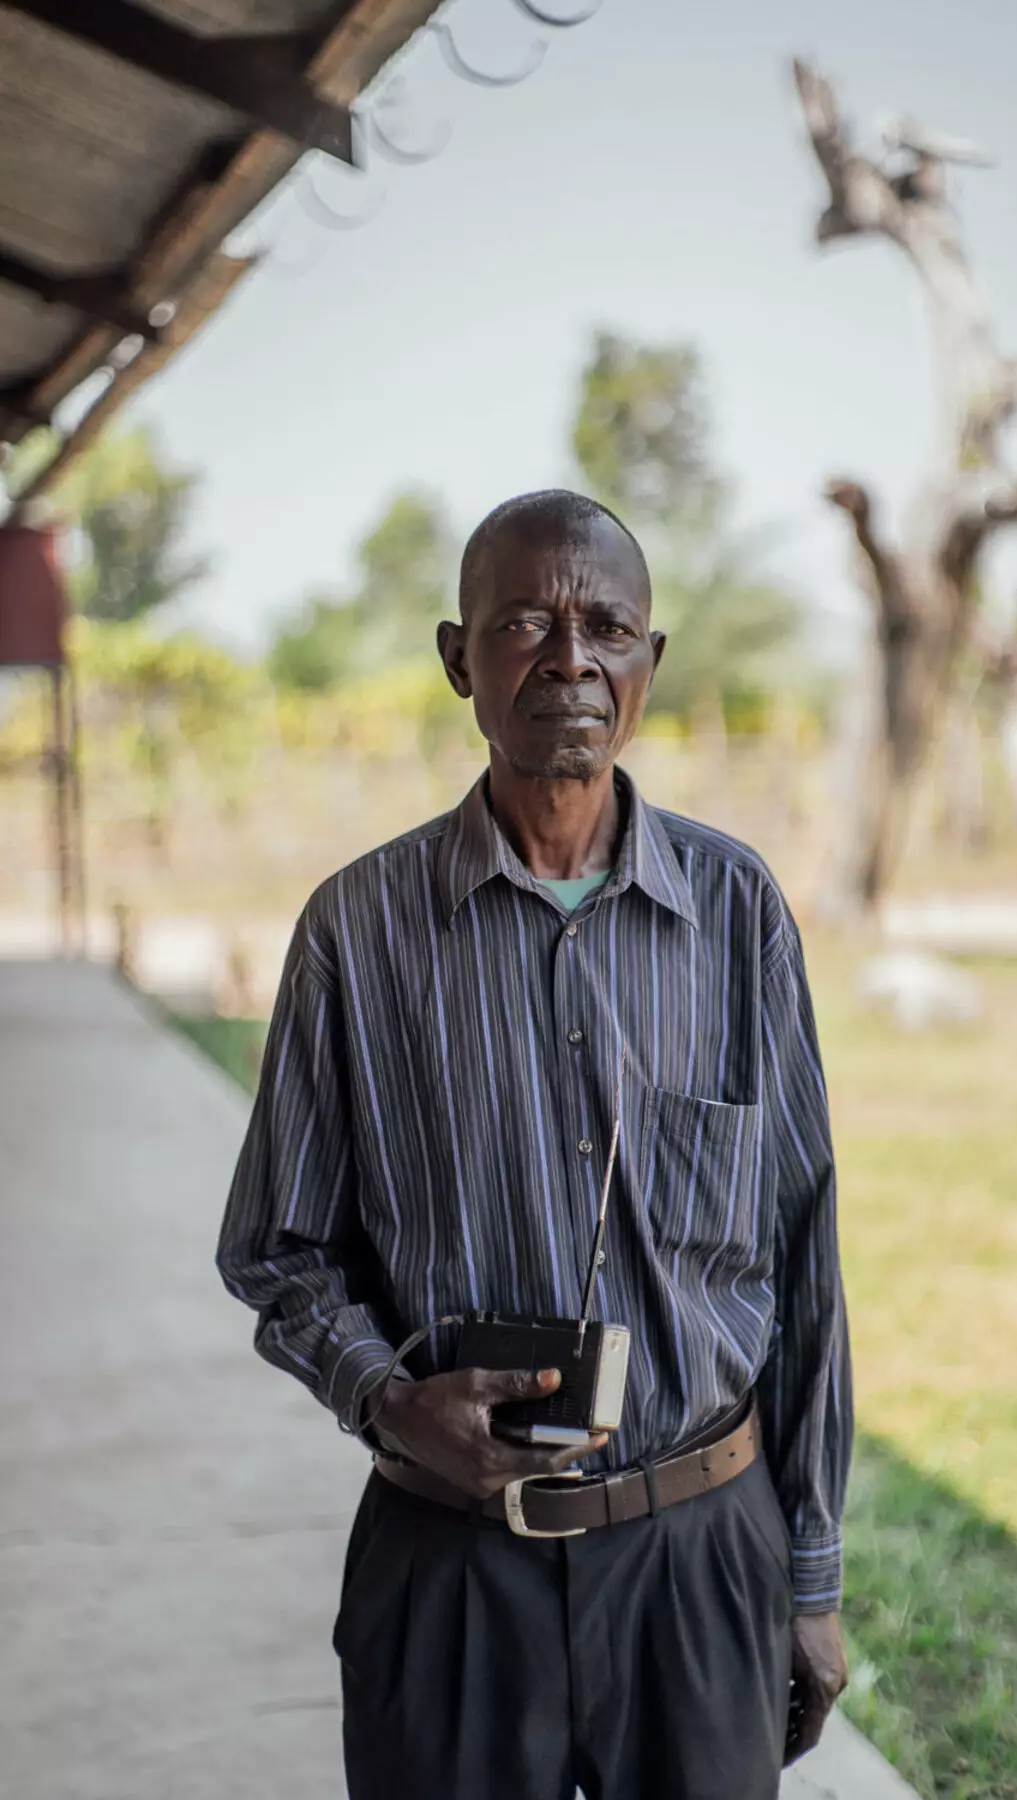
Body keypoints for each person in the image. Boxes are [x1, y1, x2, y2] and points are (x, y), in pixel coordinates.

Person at [217, 489, 852, 1800]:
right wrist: (389, 1402)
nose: (572, 658)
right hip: (452, 1566)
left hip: (697, 1559)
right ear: (462, 659)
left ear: (650, 667)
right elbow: (279, 1254)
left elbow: (801, 1263)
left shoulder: (735, 914)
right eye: (527, 621)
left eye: (609, 625)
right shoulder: (359, 932)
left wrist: (809, 1575)